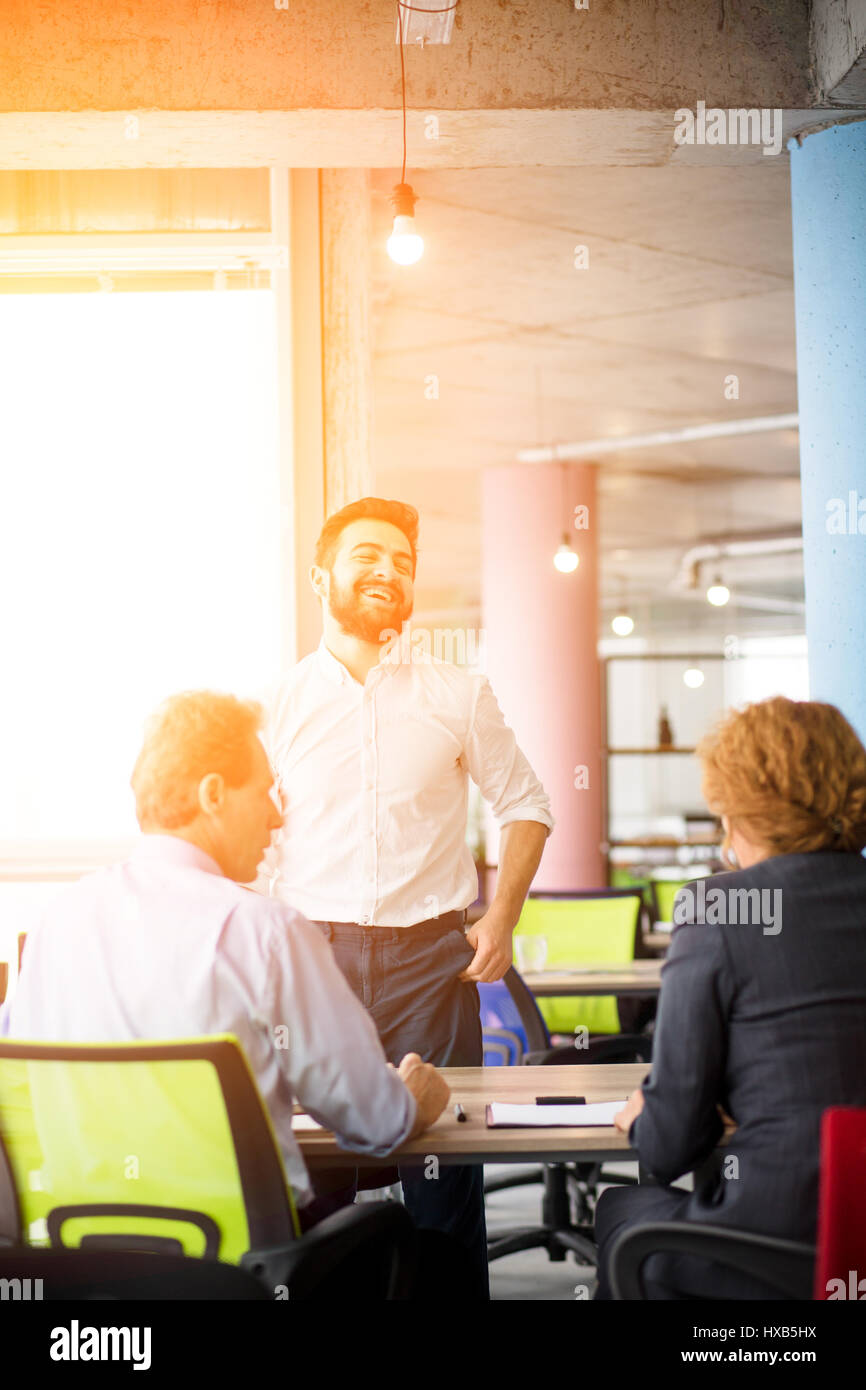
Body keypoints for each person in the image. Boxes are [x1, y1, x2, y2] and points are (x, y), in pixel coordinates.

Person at [5, 691, 451, 1232]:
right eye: (265, 791)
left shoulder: (58, 924)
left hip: (86, 1256)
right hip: (245, 1262)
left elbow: (17, 1089)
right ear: (214, 794)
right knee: (419, 1246)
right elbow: (372, 1121)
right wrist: (414, 1102)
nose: (277, 816)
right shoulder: (264, 933)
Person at [265, 496, 553, 1298]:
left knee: (443, 1180)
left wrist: (502, 916)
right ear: (322, 575)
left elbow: (527, 805)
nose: (387, 571)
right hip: (311, 961)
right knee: (316, 1177)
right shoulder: (277, 705)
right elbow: (256, 844)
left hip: (431, 961)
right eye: (367, 556)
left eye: (401, 561)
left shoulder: (458, 692)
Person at [595, 695, 866, 1299]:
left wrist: (652, 1110)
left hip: (781, 1247)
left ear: (738, 809)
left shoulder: (717, 907)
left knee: (622, 1209)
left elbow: (669, 1148)